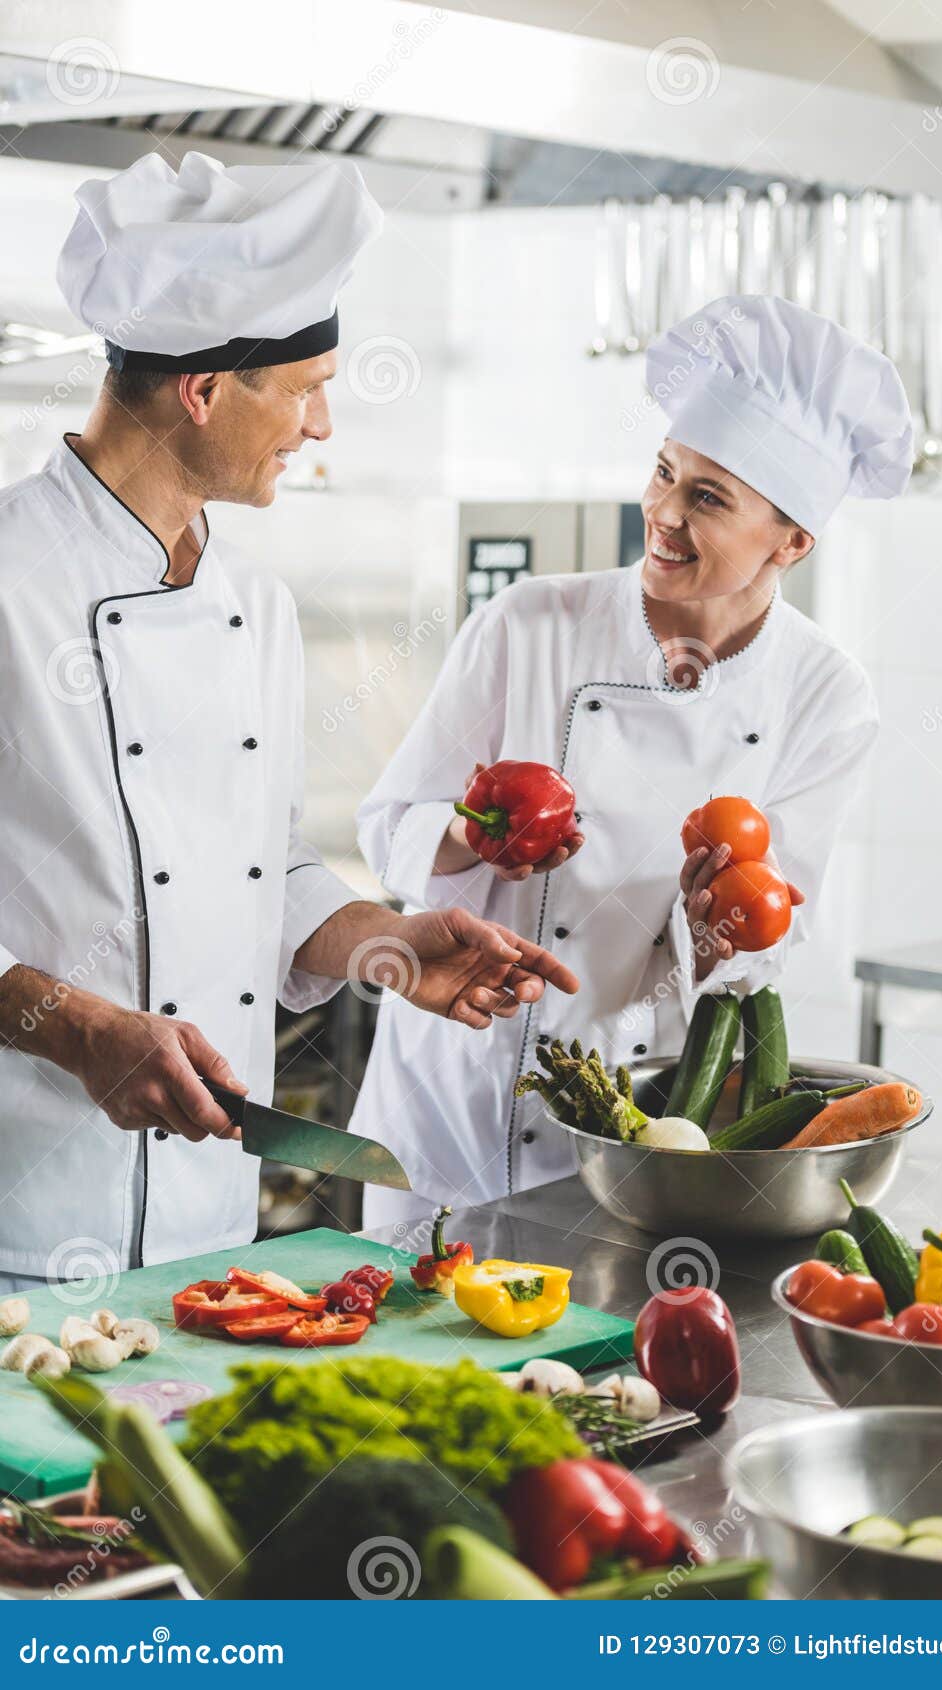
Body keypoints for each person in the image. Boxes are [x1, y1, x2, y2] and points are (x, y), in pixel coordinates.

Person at [0, 151, 577, 1291]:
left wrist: (387, 941)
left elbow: (263, 871)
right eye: (305, 386)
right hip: (18, 1222)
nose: (319, 425)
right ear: (203, 391)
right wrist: (78, 1029)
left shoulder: (252, 607)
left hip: (205, 1238)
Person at [351, 294, 914, 1231]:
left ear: (793, 541)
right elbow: (387, 826)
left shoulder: (825, 692)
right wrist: (471, 836)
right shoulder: (529, 623)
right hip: (453, 1095)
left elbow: (771, 933)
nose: (661, 512)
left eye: (707, 498)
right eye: (663, 474)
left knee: (590, 1373)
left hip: (632, 1125)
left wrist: (710, 933)